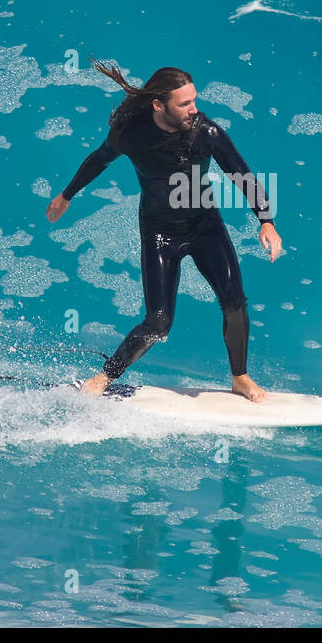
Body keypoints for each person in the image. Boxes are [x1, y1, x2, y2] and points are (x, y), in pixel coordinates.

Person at [46, 58, 282, 402]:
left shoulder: (207, 133)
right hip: (159, 233)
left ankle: (240, 378)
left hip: (205, 227)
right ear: (159, 105)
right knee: (158, 322)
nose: (194, 109)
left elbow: (241, 174)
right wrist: (66, 195)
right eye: (185, 103)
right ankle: (104, 376)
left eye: (195, 100)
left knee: (234, 303)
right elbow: (99, 159)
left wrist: (266, 221)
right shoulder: (131, 133)